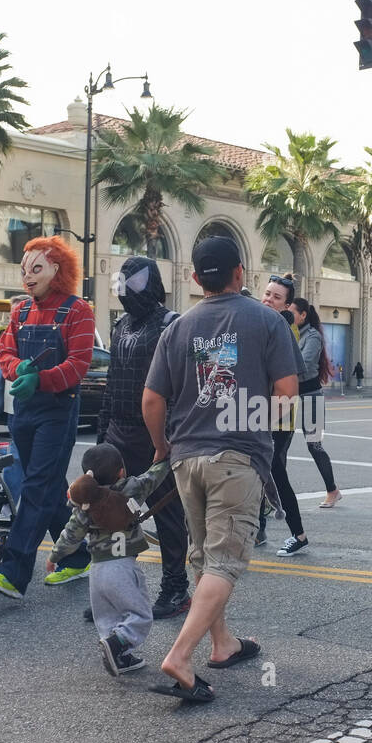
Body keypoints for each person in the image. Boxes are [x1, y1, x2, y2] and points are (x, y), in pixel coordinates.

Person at [142, 235, 299, 702]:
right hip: (236, 456)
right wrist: (249, 429)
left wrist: (161, 447)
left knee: (204, 556)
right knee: (226, 560)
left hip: (186, 457)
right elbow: (287, 398)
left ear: (194, 278)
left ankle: (222, 643)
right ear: (241, 273)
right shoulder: (267, 321)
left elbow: (153, 400)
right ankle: (180, 656)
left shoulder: (178, 327)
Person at [0, 235, 95, 598]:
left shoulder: (78, 311)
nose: (28, 276)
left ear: (59, 269)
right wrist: (15, 369)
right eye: (24, 269)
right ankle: (76, 557)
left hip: (57, 413)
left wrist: (39, 378)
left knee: (36, 487)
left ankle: (13, 570)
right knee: (50, 487)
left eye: (37, 268)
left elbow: (78, 365)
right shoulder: (20, 311)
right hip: (22, 412)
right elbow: (4, 350)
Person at [96, 256, 190, 619]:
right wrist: (103, 432)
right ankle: (118, 590)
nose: (125, 293)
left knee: (167, 513)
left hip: (157, 434)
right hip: (119, 431)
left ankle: (176, 586)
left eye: (131, 285)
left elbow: (184, 385)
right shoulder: (121, 325)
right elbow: (113, 381)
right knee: (115, 513)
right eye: (122, 285)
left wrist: (169, 437)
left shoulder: (173, 324)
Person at [48, 444, 171, 676]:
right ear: (121, 472)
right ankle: (119, 643)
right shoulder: (131, 489)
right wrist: (168, 458)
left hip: (97, 569)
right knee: (141, 615)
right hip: (123, 567)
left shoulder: (85, 502)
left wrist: (55, 555)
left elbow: (71, 533)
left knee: (107, 617)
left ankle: (119, 655)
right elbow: (153, 477)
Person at [258, 274, 311, 556]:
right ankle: (256, 529)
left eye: (276, 297)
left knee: (275, 474)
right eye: (267, 293)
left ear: (287, 306)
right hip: (251, 411)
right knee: (254, 471)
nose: (268, 299)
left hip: (278, 418)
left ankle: (298, 534)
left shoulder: (284, 329)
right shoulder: (260, 321)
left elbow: (291, 381)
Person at [289, 297, 342, 507]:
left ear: (303, 315)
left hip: (311, 393)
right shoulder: (284, 331)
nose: (289, 316)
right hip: (287, 394)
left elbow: (302, 363)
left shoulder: (312, 336)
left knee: (315, 446)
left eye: (293, 312)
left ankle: (332, 490)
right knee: (278, 447)